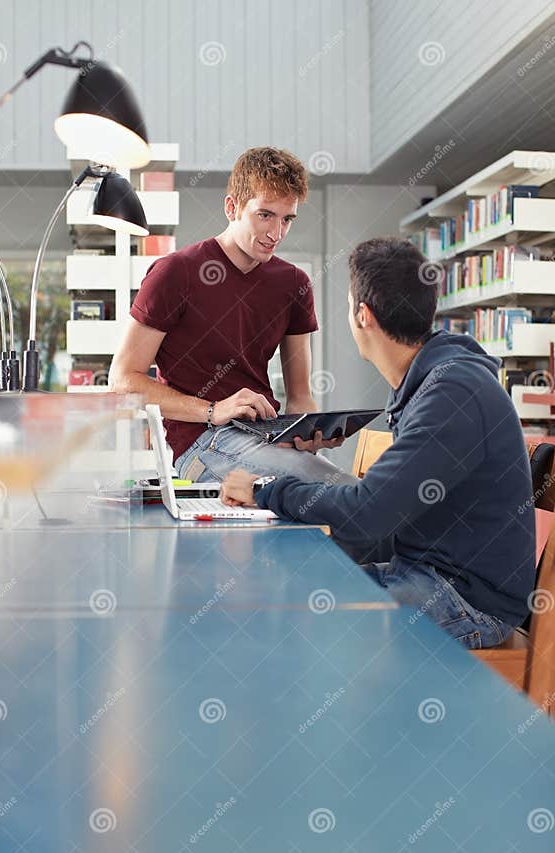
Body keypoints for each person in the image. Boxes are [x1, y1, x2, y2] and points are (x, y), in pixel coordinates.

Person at [221, 237, 536, 649]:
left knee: (303, 629)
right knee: (285, 592)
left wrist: (267, 492)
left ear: (363, 315)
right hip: (427, 571)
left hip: (467, 599)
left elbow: (368, 514)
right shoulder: (427, 383)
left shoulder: (452, 392)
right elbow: (383, 513)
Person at [109, 147, 355, 487]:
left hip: (269, 437)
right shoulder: (175, 273)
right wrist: (214, 410)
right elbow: (122, 380)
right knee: (338, 490)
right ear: (232, 207)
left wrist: (309, 432)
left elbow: (300, 394)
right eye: (265, 215)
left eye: (287, 219)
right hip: (201, 442)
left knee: (339, 490)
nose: (277, 233)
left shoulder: (294, 284)